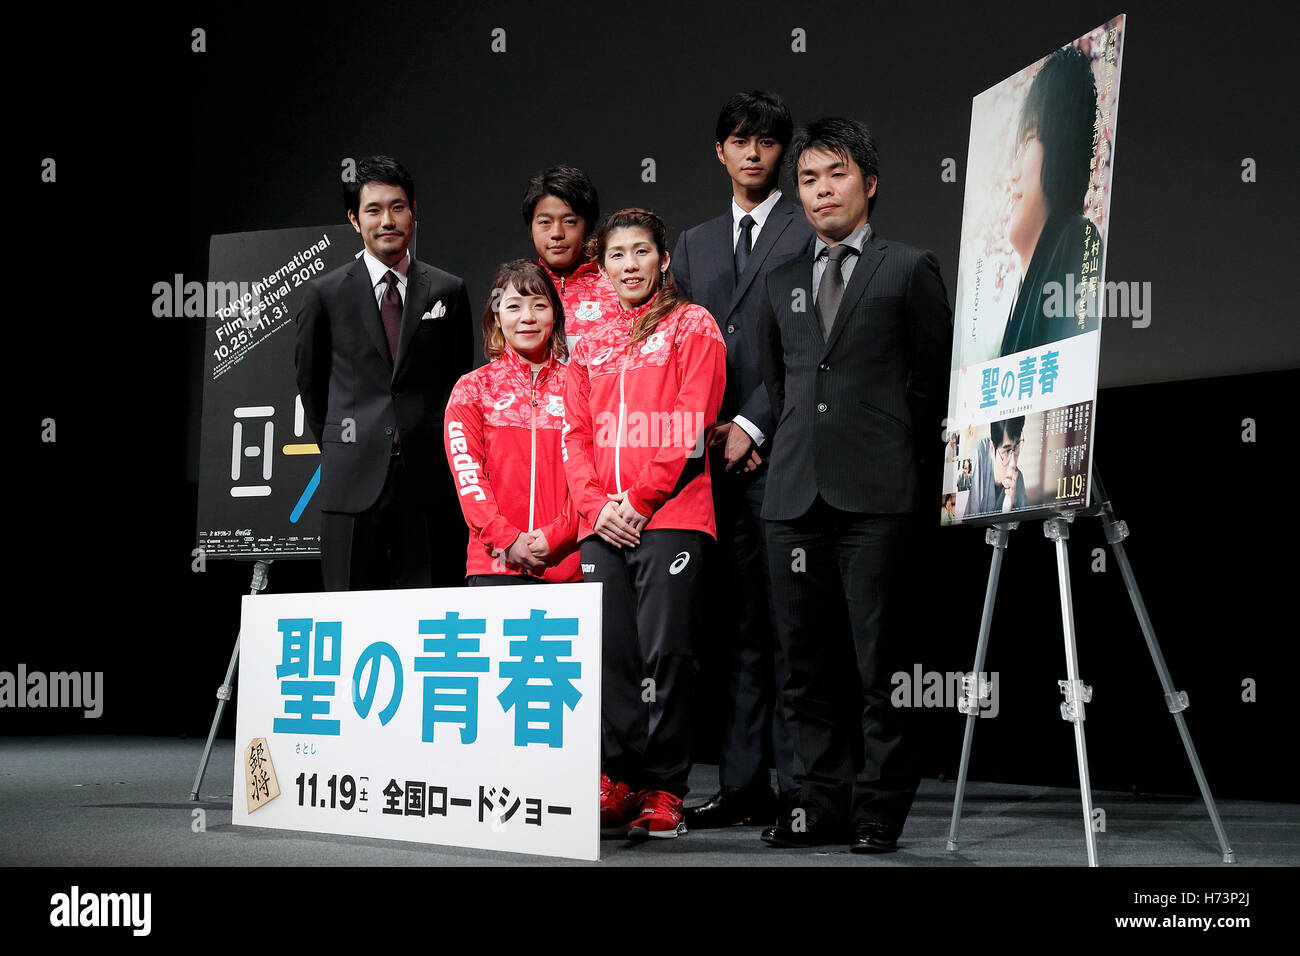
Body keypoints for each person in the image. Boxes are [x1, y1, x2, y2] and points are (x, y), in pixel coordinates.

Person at [757, 117, 953, 852]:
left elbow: (930, 387)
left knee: (880, 666)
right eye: (807, 179)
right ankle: (818, 803)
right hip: (793, 496)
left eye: (835, 174)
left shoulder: (908, 267)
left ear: (868, 183)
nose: (820, 190)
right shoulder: (779, 283)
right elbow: (782, 387)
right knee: (804, 669)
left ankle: (879, 805)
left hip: (878, 498)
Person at [671, 90, 812, 829]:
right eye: (738, 140)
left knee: (786, 624)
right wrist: (710, 429)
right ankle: (740, 782)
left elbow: (805, 340)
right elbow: (685, 348)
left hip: (781, 448)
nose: (752, 152)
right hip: (707, 459)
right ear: (719, 151)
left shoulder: (803, 225)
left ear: (781, 152)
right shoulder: (691, 243)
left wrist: (752, 425)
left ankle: (797, 788)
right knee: (733, 630)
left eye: (766, 141)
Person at [562, 208, 727, 840]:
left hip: (672, 516)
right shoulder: (591, 343)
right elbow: (573, 437)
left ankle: (664, 789)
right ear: (600, 267)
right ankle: (618, 778)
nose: (629, 265)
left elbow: (692, 421)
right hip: (602, 522)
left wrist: (640, 499)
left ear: (662, 259)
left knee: (668, 655)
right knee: (612, 655)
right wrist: (596, 506)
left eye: (641, 253)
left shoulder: (694, 326)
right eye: (616, 256)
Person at [294, 155, 472, 591]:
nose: (387, 220)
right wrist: (347, 445)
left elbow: (458, 384)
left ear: (414, 211)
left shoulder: (448, 290)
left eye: (397, 207)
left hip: (429, 481)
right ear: (354, 220)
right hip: (351, 481)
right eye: (373, 210)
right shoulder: (325, 293)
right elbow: (312, 388)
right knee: (348, 616)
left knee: (433, 615)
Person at [443, 260, 580, 585]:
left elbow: (590, 474)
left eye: (539, 305)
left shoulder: (580, 387)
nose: (528, 317)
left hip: (566, 568)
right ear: (497, 317)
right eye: (514, 306)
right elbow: (469, 477)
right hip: (493, 566)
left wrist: (557, 537)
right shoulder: (472, 389)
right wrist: (506, 539)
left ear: (556, 315)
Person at [998, 46, 1101, 357]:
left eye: (1030, 139)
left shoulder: (1076, 237)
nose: (1012, 174)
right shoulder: (1023, 286)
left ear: (1062, 146)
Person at [521, 165, 621, 352]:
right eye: (544, 222)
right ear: (531, 228)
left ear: (588, 225)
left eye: (569, 222)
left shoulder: (618, 286)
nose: (557, 233)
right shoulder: (517, 290)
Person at [960, 417, 1028, 518]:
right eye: (1007, 451)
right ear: (992, 448)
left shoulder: (1017, 478)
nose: (1013, 463)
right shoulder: (970, 462)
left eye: (1016, 447)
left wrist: (1008, 507)